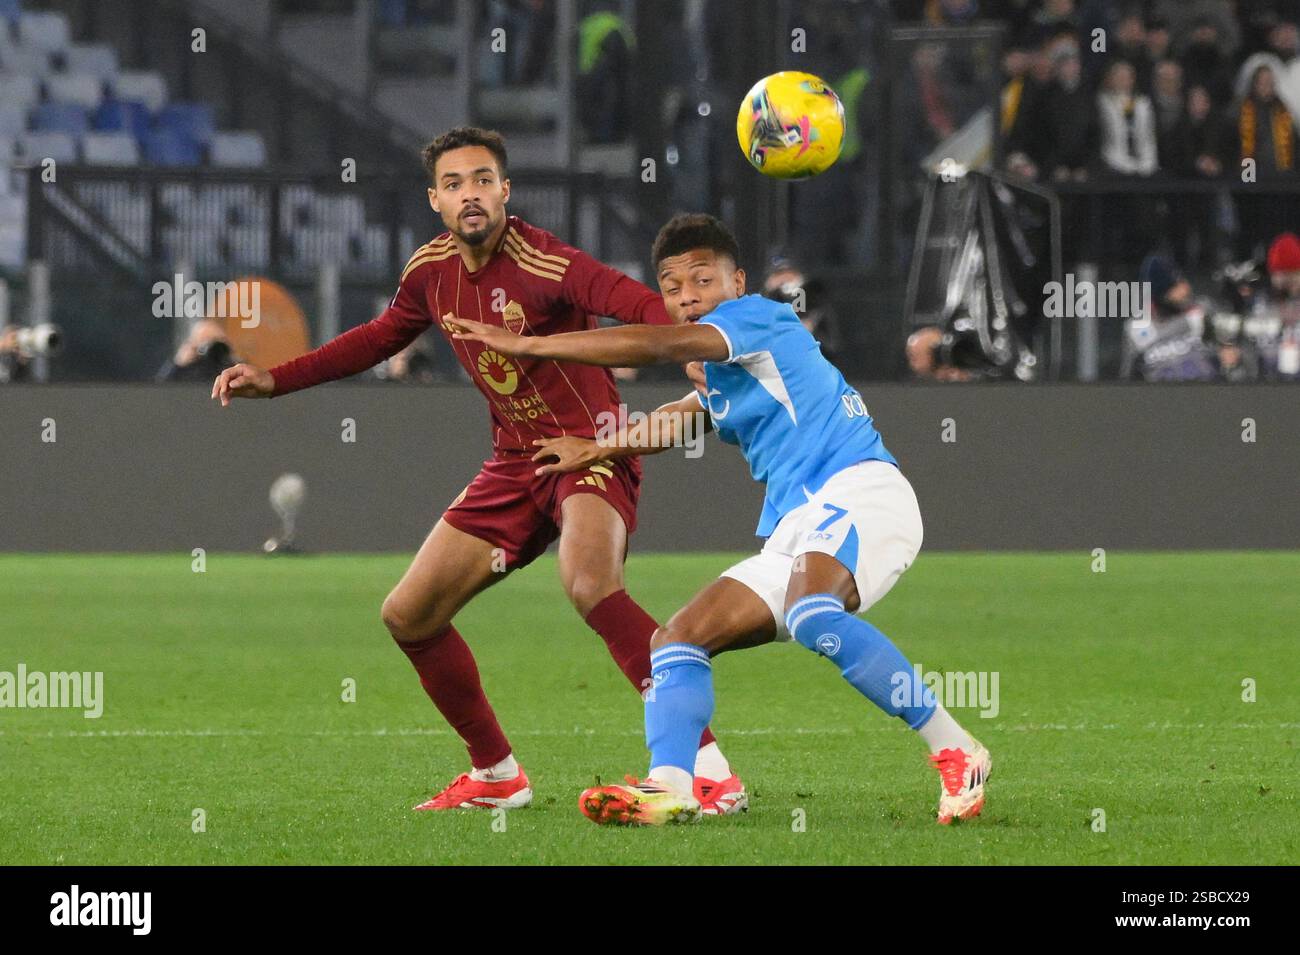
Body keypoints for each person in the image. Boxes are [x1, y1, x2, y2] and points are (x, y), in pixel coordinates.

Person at [211, 127, 744, 815]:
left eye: (484, 180)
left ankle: (706, 768)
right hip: (514, 464)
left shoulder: (545, 262)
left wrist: (688, 348)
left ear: (505, 191)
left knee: (589, 583)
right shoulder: (430, 272)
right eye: (456, 183)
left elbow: (631, 299)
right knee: (409, 613)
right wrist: (274, 380)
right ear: (435, 198)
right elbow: (375, 339)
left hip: (591, 448)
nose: (472, 194)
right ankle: (496, 774)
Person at [449, 213, 989, 826]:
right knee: (674, 641)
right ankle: (673, 783)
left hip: (862, 492)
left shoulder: (761, 319)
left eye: (702, 281)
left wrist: (532, 344)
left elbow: (660, 345)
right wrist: (596, 449)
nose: (687, 298)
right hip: (797, 527)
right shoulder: (721, 372)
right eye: (673, 287)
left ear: (738, 281)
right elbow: (679, 418)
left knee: (815, 614)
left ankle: (957, 747)